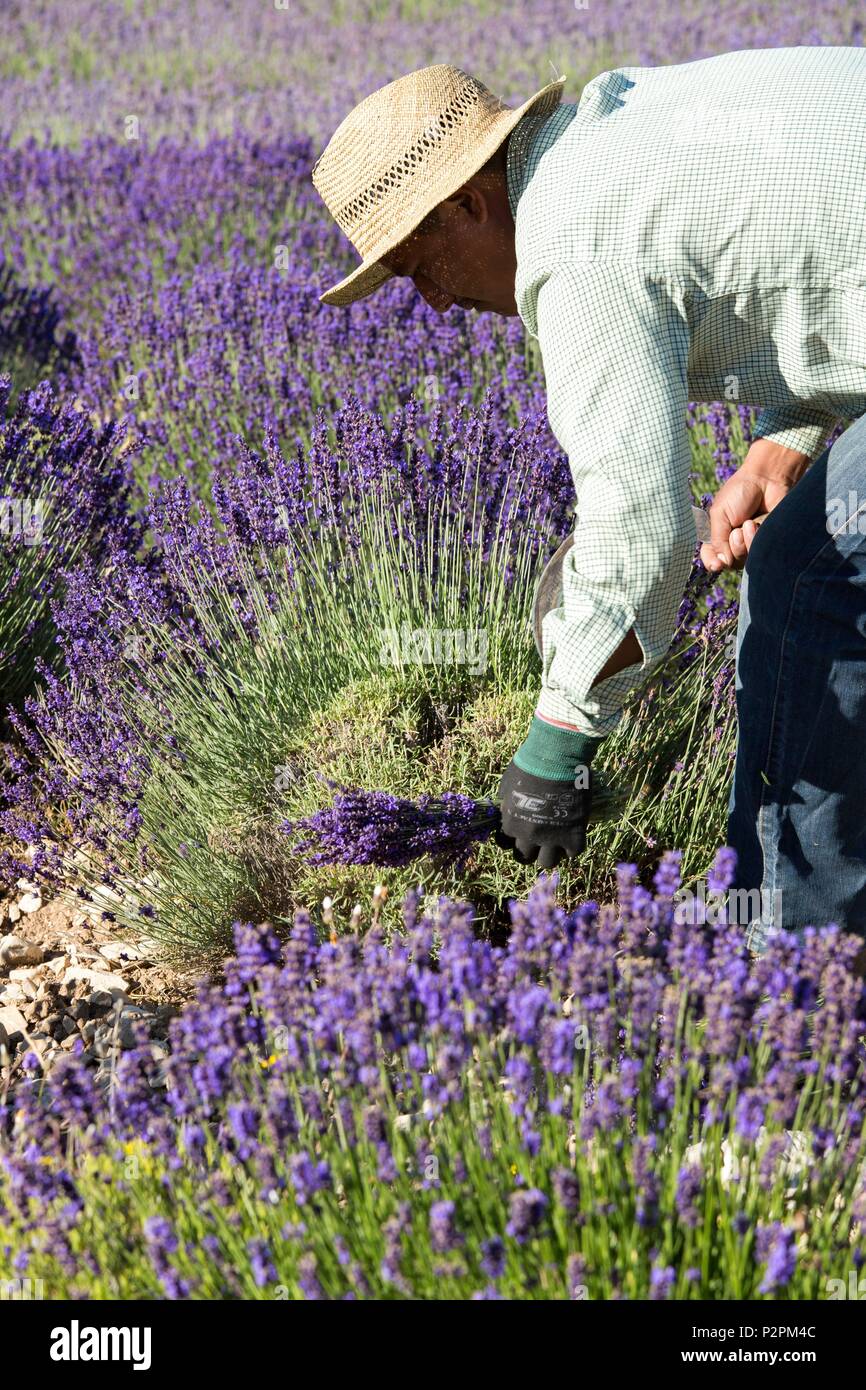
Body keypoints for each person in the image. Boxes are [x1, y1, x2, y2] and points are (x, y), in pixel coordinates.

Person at [312, 47, 866, 937]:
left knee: (807, 580)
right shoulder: (612, 135)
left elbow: (642, 530)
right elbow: (815, 250)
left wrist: (557, 740)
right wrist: (783, 442)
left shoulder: (576, 245)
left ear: (468, 204)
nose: (435, 306)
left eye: (421, 266)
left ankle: (791, 981)